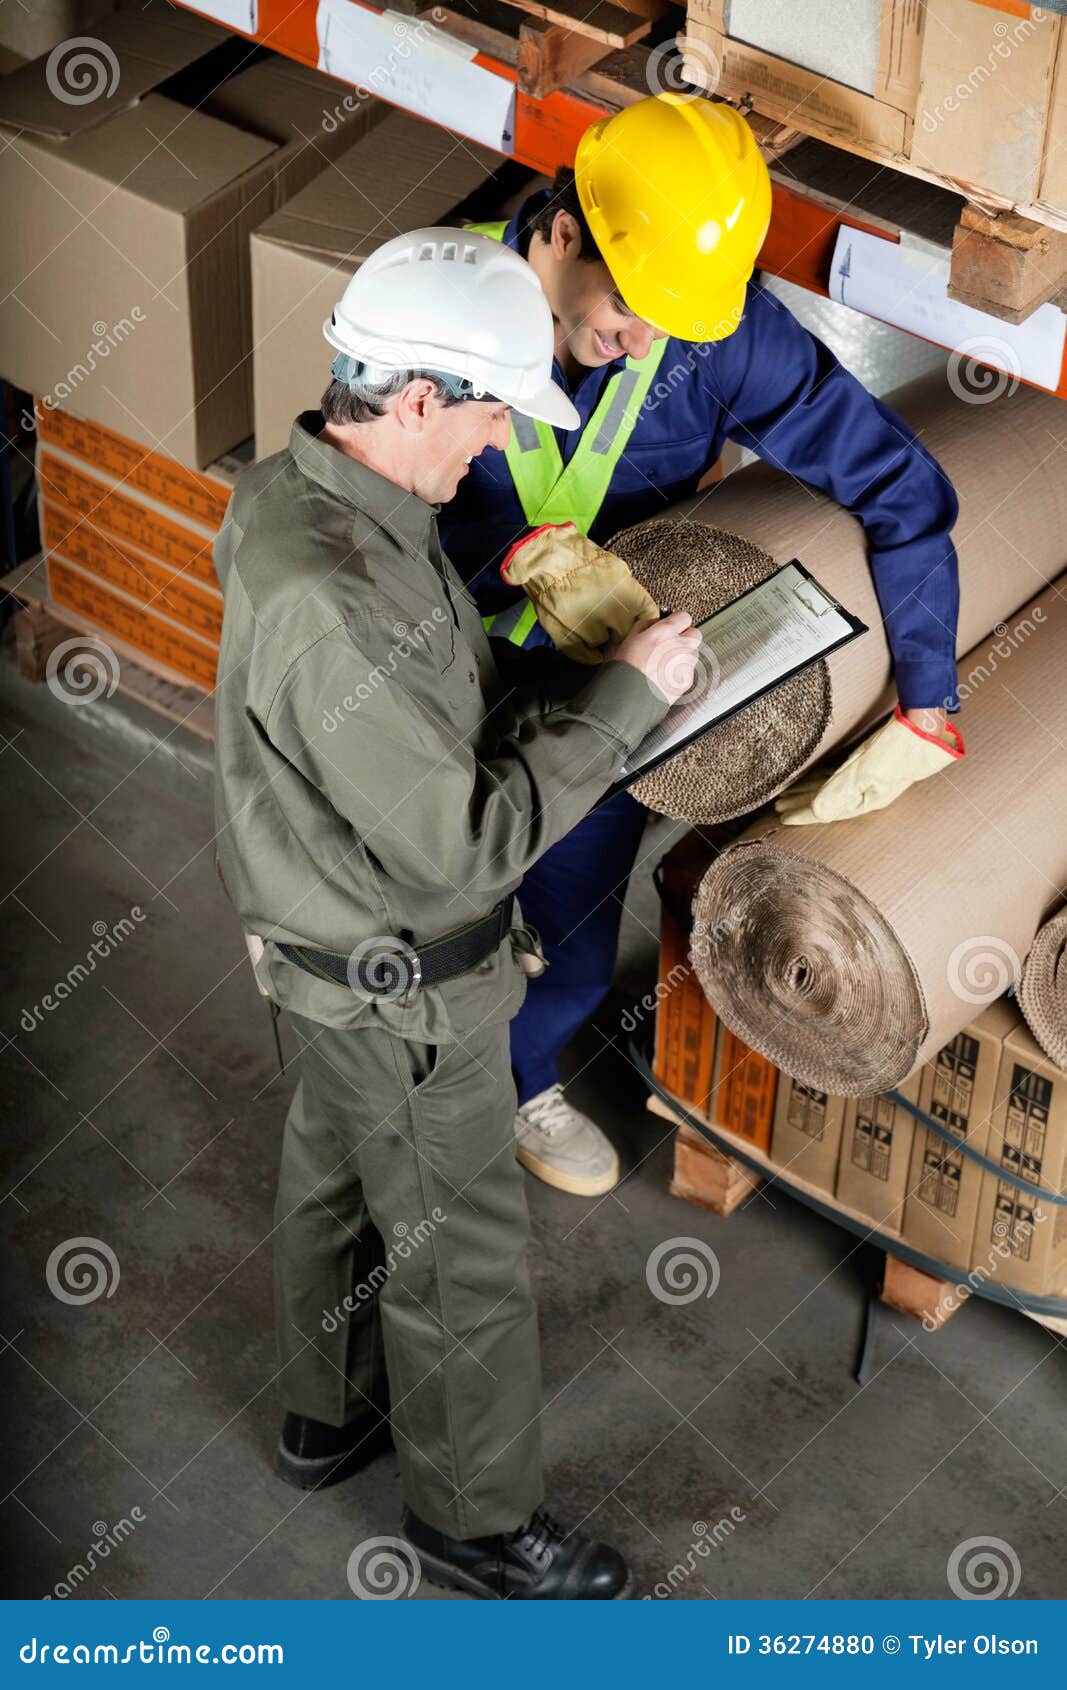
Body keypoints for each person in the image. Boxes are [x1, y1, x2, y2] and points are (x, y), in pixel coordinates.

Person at [212, 226, 701, 1599]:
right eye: (488, 412)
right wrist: (617, 711)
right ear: (417, 397)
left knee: (329, 1180)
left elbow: (420, 687)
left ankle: (326, 1416)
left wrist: (559, 666)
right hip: (402, 978)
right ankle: (474, 1521)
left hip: (316, 951)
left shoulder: (306, 500)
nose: (492, 446)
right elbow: (460, 838)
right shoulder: (332, 595)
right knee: (459, 1250)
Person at [440, 92, 963, 1199]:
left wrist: (925, 693)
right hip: (432, 663)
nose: (641, 342)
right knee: (420, 906)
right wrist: (489, 554)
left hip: (609, 698)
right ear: (564, 227)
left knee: (572, 941)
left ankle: (521, 1076)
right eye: (627, 306)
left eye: (670, 322)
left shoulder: (709, 334)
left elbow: (900, 493)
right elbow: (347, 509)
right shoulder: (433, 304)